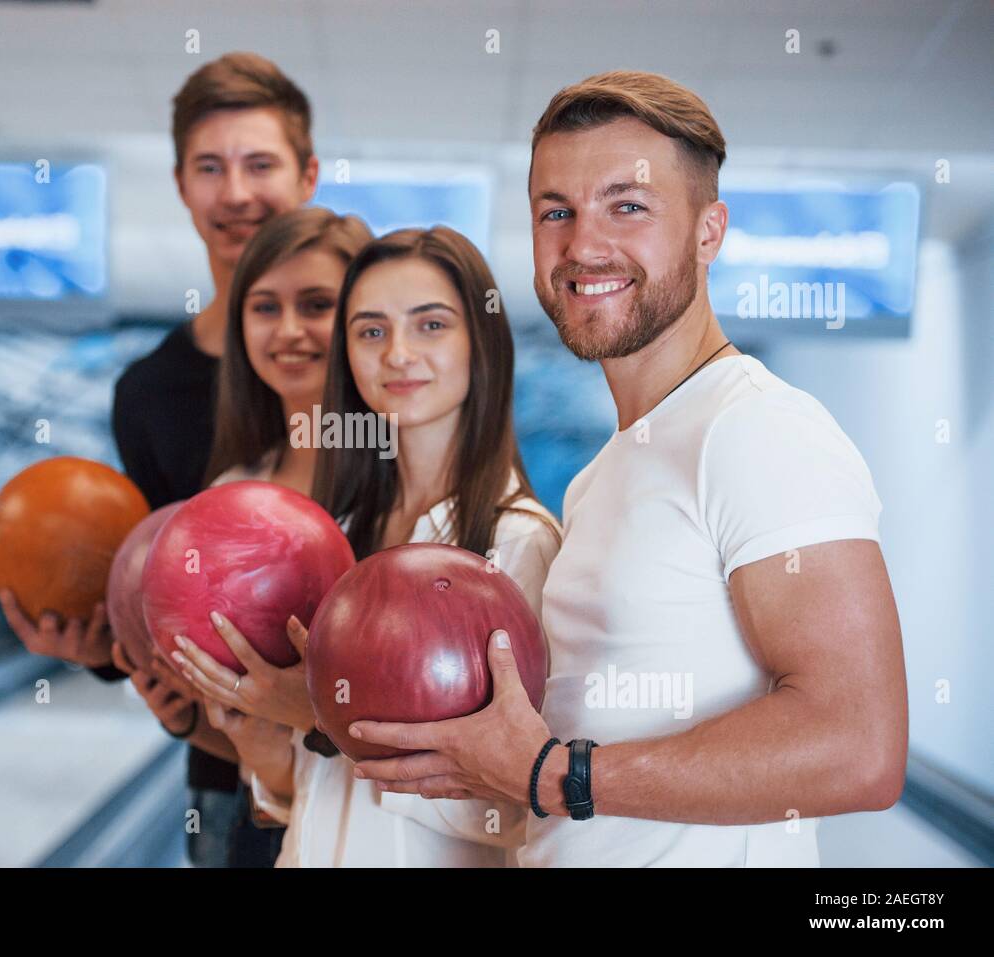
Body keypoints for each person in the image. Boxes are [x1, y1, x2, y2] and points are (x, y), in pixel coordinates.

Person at [349, 71, 908, 867]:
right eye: (556, 212)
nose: (583, 245)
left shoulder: (758, 428)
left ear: (709, 231)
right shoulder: (599, 478)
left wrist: (556, 775)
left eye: (628, 205)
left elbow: (858, 744)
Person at [0, 52, 320, 868]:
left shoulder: (367, 362)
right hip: (222, 765)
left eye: (260, 164)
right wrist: (100, 648)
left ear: (308, 175)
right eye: (210, 167)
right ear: (181, 185)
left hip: (361, 760)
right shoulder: (151, 390)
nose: (236, 191)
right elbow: (144, 593)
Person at [177, 227, 563, 866]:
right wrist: (267, 750)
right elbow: (309, 789)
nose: (398, 354)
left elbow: (527, 809)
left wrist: (325, 722)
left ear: (482, 345)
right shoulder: (338, 532)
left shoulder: (516, 543)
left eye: (431, 326)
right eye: (371, 331)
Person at [146, 206, 372, 861]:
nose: (290, 330)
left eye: (317, 304)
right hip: (270, 815)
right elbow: (253, 727)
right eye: (265, 307)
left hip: (386, 828)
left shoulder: (408, 481)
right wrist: (191, 712)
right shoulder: (231, 488)